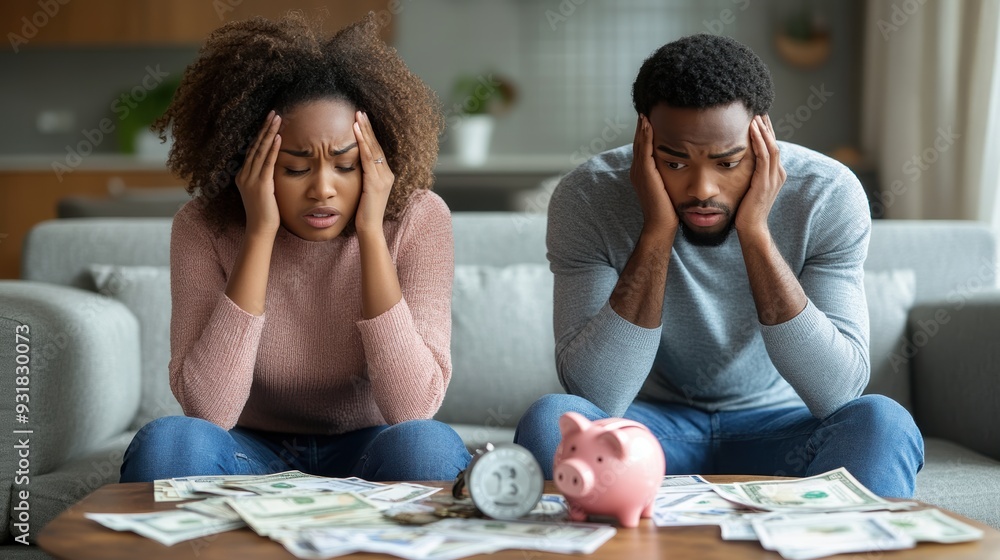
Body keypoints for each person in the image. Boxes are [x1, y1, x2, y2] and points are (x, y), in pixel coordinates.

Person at [514, 34, 923, 497]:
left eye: (728, 163)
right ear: (644, 138)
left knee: (883, 421)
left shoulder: (826, 193)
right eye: (674, 163)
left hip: (781, 428)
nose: (702, 189)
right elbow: (598, 395)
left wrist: (756, 233)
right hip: (644, 434)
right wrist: (656, 232)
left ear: (762, 139)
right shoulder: (588, 197)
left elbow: (838, 392)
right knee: (551, 419)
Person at [120, 13, 471, 483]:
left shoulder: (419, 219)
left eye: (345, 166)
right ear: (250, 163)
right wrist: (259, 233)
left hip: (370, 450)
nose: (322, 189)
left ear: (376, 162)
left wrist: (371, 233)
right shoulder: (203, 226)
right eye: (296, 168)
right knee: (169, 444)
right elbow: (209, 411)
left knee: (427, 447)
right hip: (247, 452)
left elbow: (412, 407)